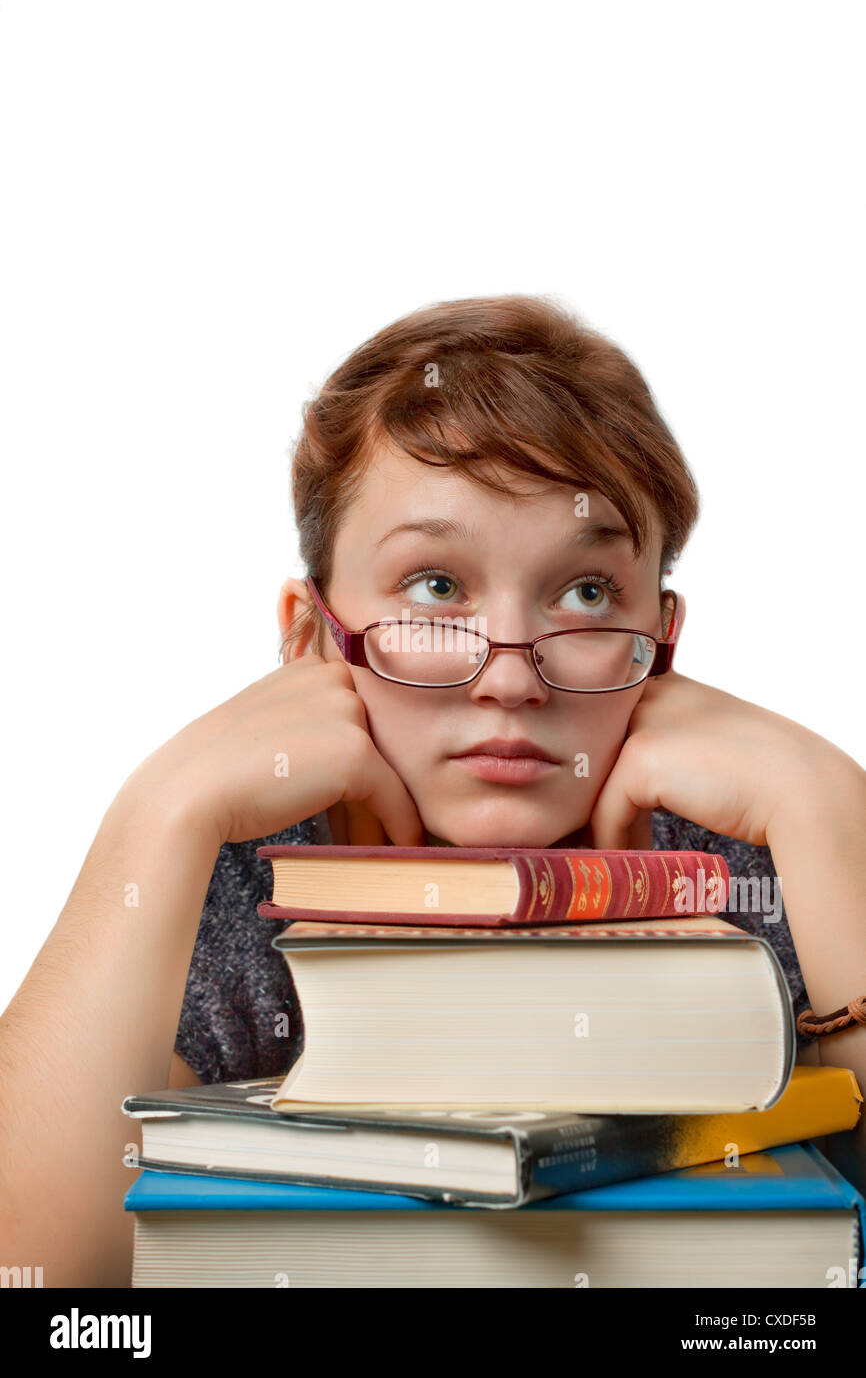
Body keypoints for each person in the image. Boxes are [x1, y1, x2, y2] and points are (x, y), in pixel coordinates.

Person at [2, 295, 863, 1289]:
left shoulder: (748, 865)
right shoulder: (235, 884)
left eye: (584, 592)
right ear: (312, 636)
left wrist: (825, 808)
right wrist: (157, 812)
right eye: (434, 588)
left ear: (661, 638)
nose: (510, 679)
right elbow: (34, 1265)